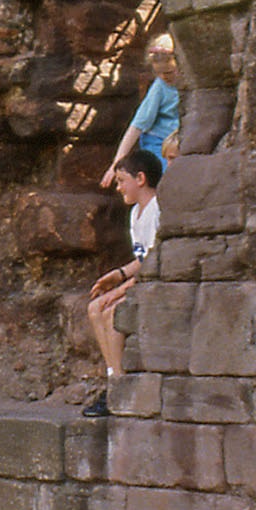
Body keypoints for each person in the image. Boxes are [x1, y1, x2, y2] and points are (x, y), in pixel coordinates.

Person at [80, 147, 162, 420]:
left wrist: (121, 289)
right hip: (138, 281)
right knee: (95, 309)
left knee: (113, 312)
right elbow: (141, 258)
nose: (118, 188)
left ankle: (120, 388)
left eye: (121, 181)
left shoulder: (156, 209)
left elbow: (155, 263)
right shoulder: (135, 214)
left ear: (140, 178)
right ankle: (114, 377)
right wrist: (119, 275)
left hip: (154, 285)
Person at [103, 31, 185, 187]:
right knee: (166, 177)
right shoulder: (159, 88)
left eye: (168, 72)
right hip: (158, 143)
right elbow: (137, 125)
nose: (164, 77)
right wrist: (116, 163)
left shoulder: (187, 83)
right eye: (158, 73)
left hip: (176, 142)